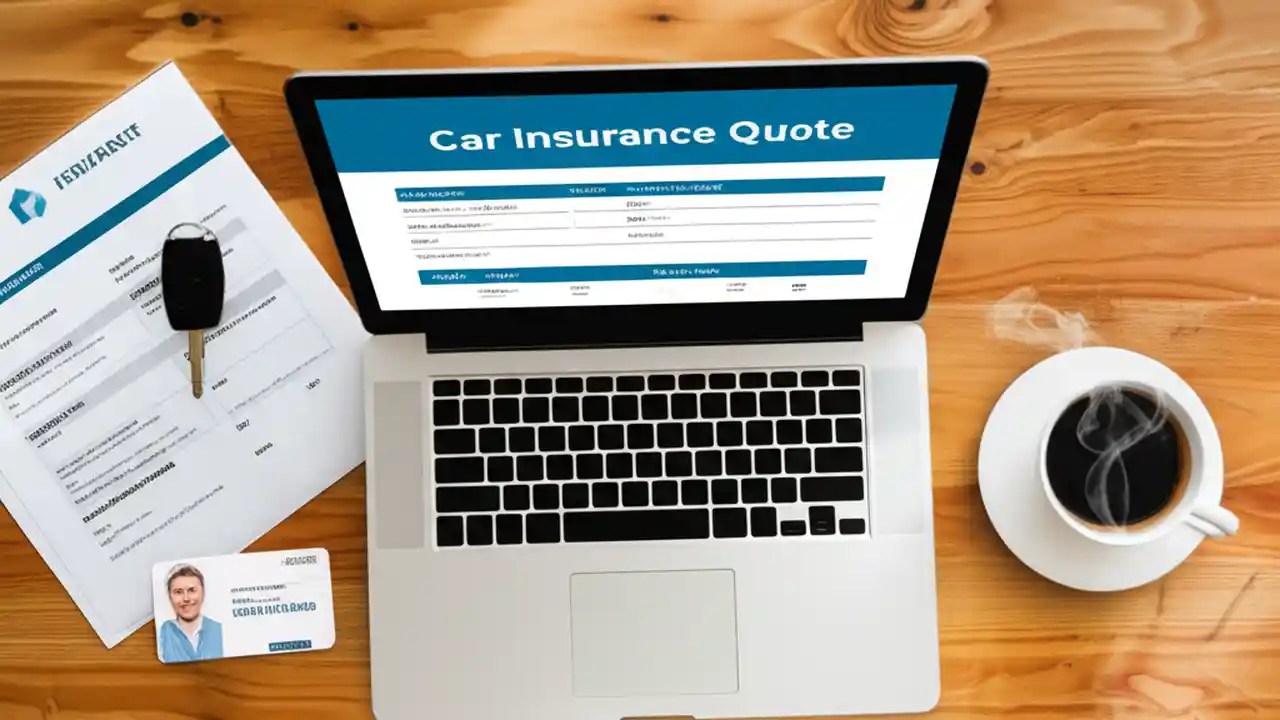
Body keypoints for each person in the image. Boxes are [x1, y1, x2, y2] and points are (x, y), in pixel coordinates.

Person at [158, 564, 224, 662]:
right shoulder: (163, 634)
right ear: (170, 596)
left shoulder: (220, 630)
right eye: (178, 592)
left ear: (203, 593)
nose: (186, 598)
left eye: (192, 590)